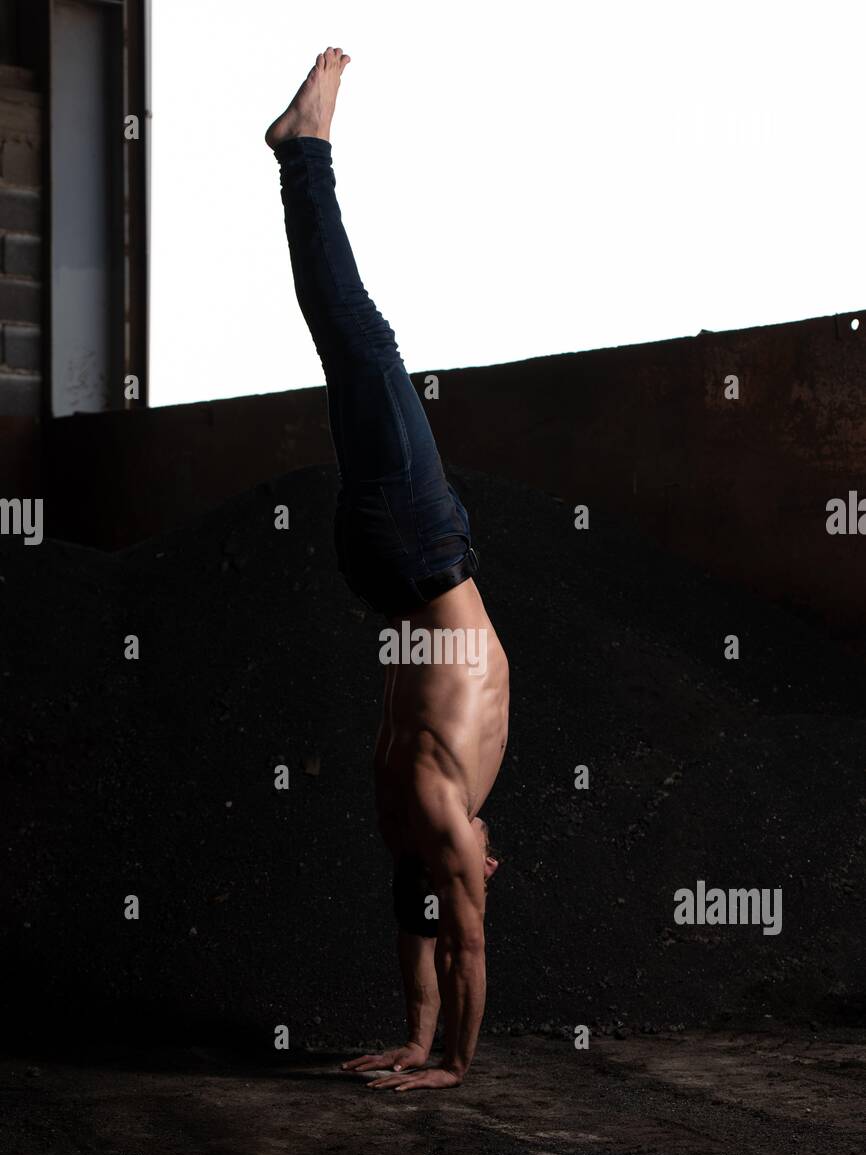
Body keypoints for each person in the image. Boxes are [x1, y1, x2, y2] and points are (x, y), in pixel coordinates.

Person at [267, 49, 509, 1090]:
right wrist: (412, 1038)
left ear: (457, 851)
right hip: (387, 569)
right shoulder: (407, 812)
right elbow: (421, 933)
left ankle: (304, 153)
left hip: (417, 554)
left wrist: (451, 1060)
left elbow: (461, 943)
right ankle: (303, 158)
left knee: (360, 340)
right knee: (347, 352)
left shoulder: (433, 794)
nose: (486, 866)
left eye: (474, 868)